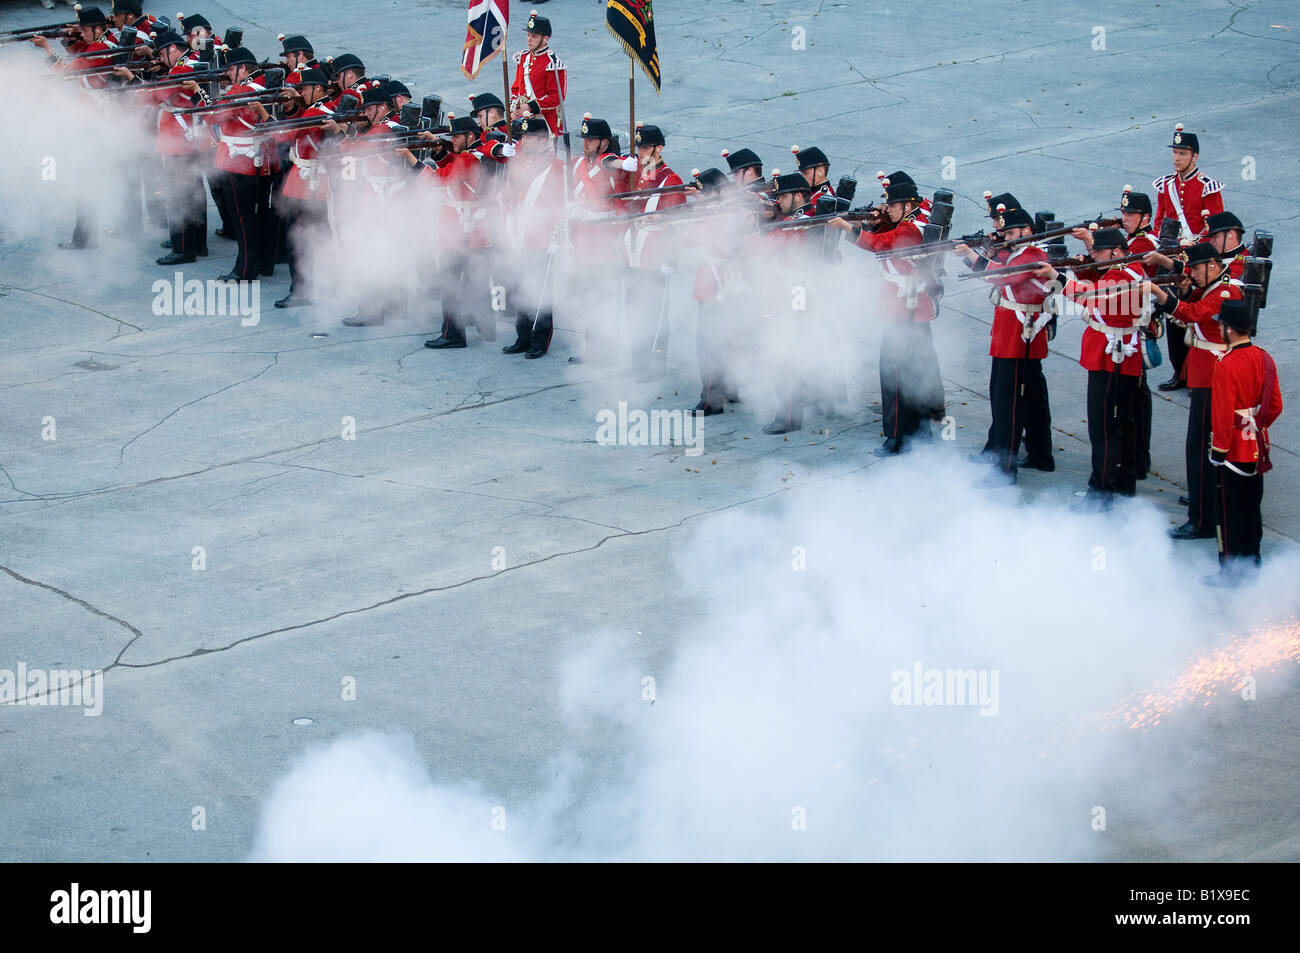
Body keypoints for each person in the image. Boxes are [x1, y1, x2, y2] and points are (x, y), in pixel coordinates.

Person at [831, 180, 944, 455]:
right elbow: (890, 234)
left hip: (901, 306)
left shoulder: (910, 226)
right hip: (912, 306)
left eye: (893, 205)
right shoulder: (921, 216)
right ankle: (919, 432)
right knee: (916, 372)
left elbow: (882, 243)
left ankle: (897, 437)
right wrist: (879, 219)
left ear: (908, 204)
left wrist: (851, 229)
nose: (889, 209)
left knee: (893, 375)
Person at [1040, 228, 1150, 508]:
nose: (1094, 255)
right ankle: (1123, 486)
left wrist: (1057, 277)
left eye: (1099, 251)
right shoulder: (1130, 268)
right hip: (1120, 355)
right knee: (1122, 425)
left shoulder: (1119, 276)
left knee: (1104, 428)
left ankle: (1103, 490)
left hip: (1111, 358)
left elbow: (1089, 296)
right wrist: (1084, 267)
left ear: (1115, 251)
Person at [1144, 243, 1244, 539]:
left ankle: (1201, 518)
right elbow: (1192, 294)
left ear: (1213, 265)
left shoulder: (1225, 292)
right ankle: (1204, 498)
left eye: (1196, 269)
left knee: (1200, 449)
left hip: (1213, 376)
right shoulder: (1215, 283)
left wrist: (1160, 294)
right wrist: (1184, 286)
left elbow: (1193, 313)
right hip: (1204, 372)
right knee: (1199, 447)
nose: (1194, 275)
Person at [955, 207, 1055, 481]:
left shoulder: (1032, 254)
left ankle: (1004, 469)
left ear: (1026, 230)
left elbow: (1004, 276)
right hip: (1012, 333)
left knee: (1008, 404)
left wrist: (971, 255)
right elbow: (997, 269)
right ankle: (1040, 454)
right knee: (1031, 399)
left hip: (1018, 336)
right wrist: (977, 254)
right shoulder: (1020, 251)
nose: (1007, 238)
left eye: (1011, 233)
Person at [1206, 300, 1283, 585]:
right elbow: (1274, 405)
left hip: (1233, 451)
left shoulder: (1226, 364)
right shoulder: (1265, 357)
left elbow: (1223, 413)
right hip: (1257, 445)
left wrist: (1218, 450)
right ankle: (1252, 563)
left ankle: (1231, 572)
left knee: (1229, 514)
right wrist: (1255, 427)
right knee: (1252, 509)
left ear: (1228, 329)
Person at [1152, 123, 1224, 389]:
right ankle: (1179, 371)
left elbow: (1216, 230)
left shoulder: (1207, 187)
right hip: (1173, 255)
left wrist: (1192, 245)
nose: (1176, 158)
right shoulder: (1165, 186)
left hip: (1198, 259)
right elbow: (1160, 222)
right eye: (1174, 153)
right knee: (1174, 314)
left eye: (1182, 153)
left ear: (1195, 156)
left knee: (1197, 315)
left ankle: (1198, 373)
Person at [621, 123, 687, 381]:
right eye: (639, 147)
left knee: (654, 313)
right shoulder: (637, 173)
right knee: (634, 311)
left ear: (659, 148)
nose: (640, 152)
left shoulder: (671, 180)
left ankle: (655, 364)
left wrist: (671, 258)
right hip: (633, 253)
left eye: (646, 147)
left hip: (654, 256)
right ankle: (637, 360)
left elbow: (677, 226)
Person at [499, 116, 563, 358]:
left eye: (530, 138)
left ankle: (540, 339)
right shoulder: (521, 161)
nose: (525, 141)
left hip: (541, 234)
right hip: (520, 232)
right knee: (520, 287)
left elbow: (559, 204)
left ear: (543, 141)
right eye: (523, 137)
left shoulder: (554, 166)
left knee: (541, 289)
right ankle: (522, 335)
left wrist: (555, 237)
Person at [567, 115, 627, 365]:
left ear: (604, 142)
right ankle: (592, 348)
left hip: (603, 237)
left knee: (603, 295)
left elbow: (618, 165)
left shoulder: (609, 163)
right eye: (584, 139)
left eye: (591, 140)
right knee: (587, 296)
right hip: (582, 236)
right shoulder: (578, 163)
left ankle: (607, 347)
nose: (585, 144)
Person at [510, 11, 567, 134]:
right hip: (522, 117)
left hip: (544, 119)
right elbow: (516, 89)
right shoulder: (523, 57)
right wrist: (513, 109)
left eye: (534, 36)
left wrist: (530, 107)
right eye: (528, 35)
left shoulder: (553, 63)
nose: (529, 40)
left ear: (546, 38)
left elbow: (556, 98)